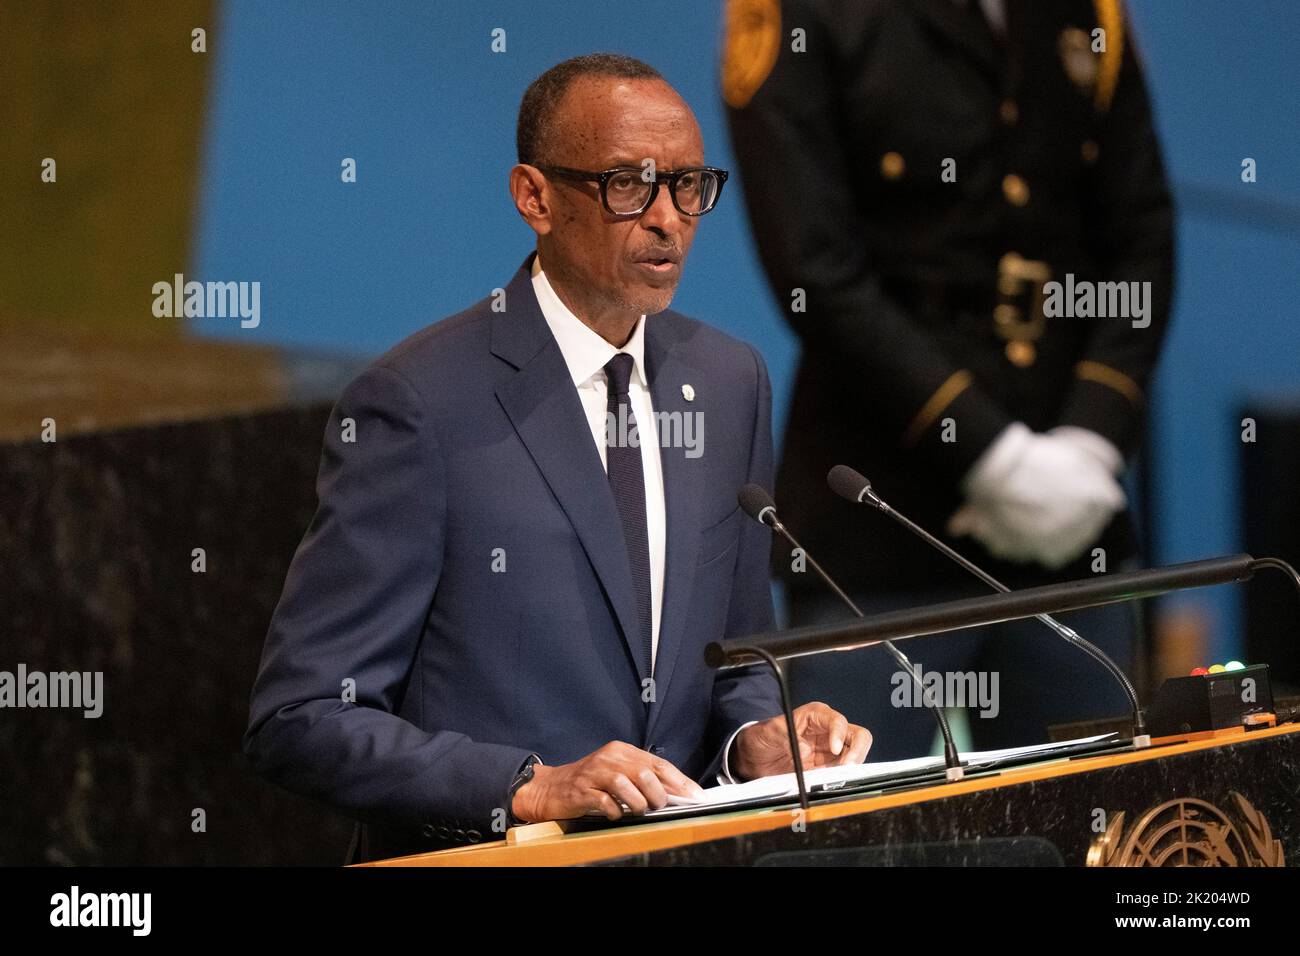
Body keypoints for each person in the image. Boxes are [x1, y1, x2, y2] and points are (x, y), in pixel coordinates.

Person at [244, 52, 870, 863]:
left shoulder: (728, 381)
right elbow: (301, 719)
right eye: (627, 185)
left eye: (689, 185)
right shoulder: (418, 404)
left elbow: (735, 655)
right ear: (535, 197)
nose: (667, 218)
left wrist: (752, 739)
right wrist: (526, 785)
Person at [724, 0, 1174, 757]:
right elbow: (818, 272)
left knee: (1099, 821)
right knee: (857, 839)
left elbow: (1143, 236)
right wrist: (994, 458)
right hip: (880, 516)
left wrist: (1091, 443)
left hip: (1071, 522)